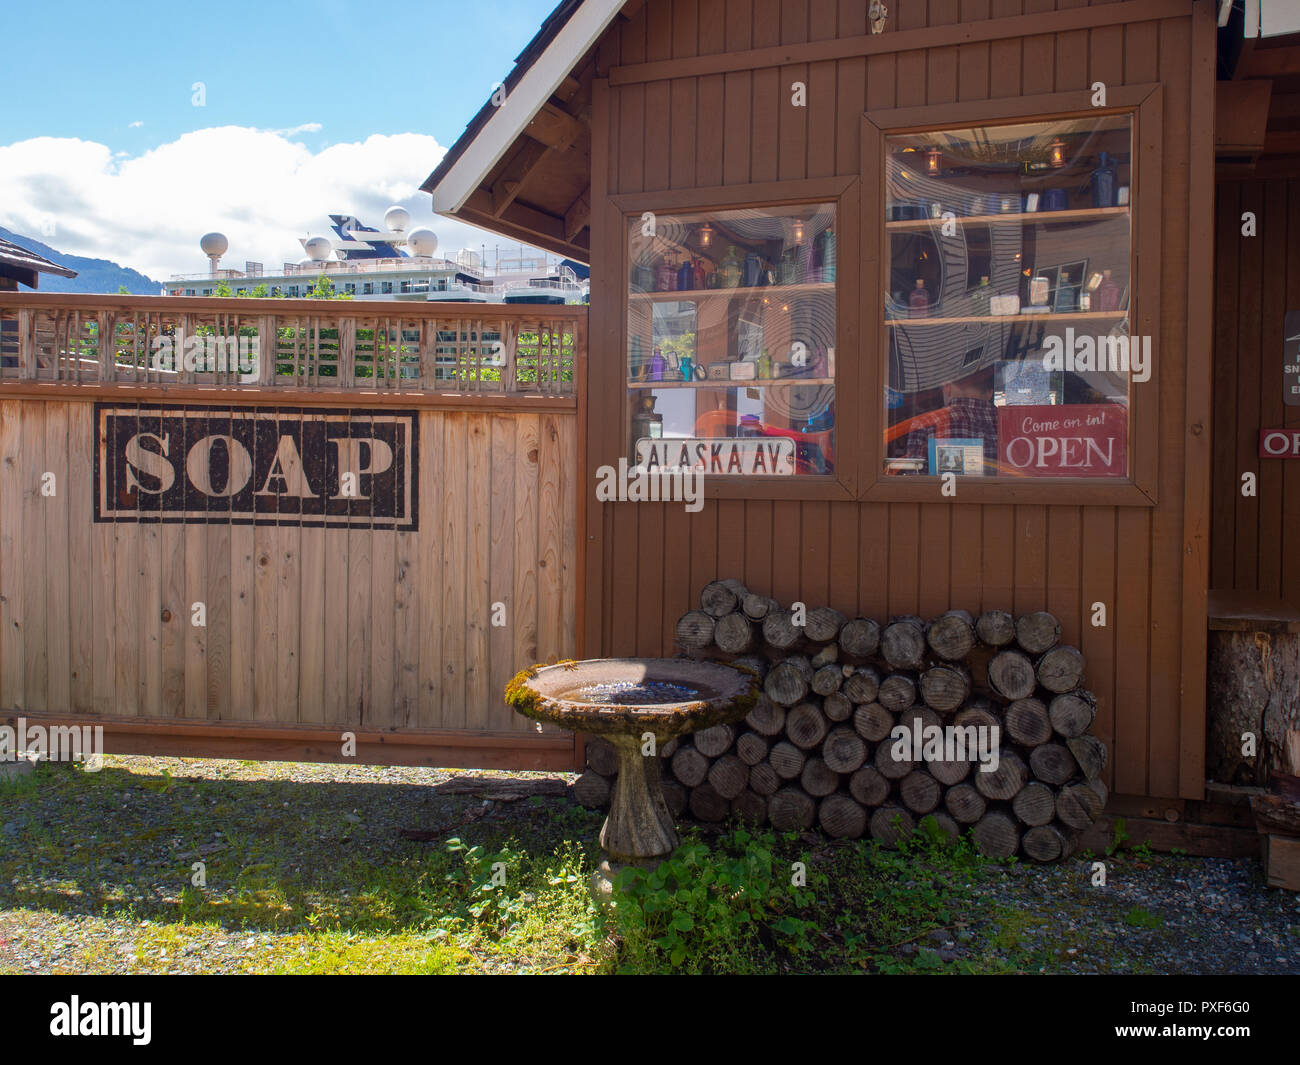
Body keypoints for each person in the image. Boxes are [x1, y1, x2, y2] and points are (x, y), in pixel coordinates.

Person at [901, 365, 999, 474]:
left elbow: (914, 480)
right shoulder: (1009, 423)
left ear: (947, 388)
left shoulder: (925, 424)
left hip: (945, 490)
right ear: (990, 393)